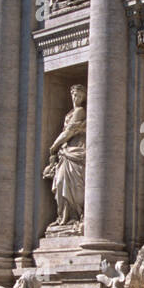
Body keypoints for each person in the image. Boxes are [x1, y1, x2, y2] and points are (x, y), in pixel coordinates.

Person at [43, 85, 86, 230]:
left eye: (80, 96)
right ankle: (64, 217)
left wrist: (54, 145)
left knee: (73, 185)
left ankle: (75, 215)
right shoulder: (70, 112)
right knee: (60, 182)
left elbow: (69, 131)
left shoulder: (80, 111)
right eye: (75, 95)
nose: (76, 98)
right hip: (66, 152)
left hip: (75, 151)